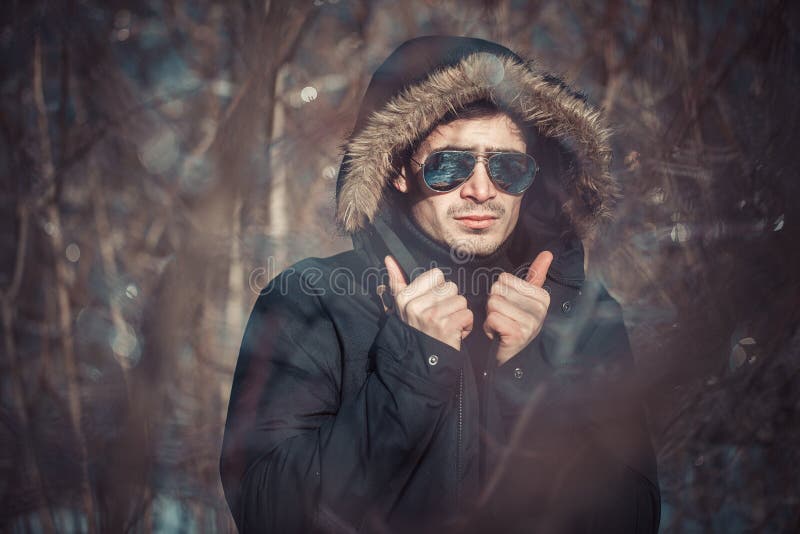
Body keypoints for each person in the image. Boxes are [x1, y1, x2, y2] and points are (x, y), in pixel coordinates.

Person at [220, 36, 660, 533]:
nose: (480, 188)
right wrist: (413, 371)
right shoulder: (314, 298)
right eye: (449, 164)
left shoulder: (583, 312)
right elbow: (265, 510)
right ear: (398, 170)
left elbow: (633, 519)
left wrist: (526, 377)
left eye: (507, 166)